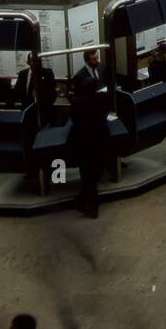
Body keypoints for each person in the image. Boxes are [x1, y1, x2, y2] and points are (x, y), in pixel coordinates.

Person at [68, 49, 110, 218]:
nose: (96, 59)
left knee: (88, 175)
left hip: (85, 142)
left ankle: (82, 201)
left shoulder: (78, 105)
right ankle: (90, 205)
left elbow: (75, 119)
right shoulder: (99, 102)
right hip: (98, 140)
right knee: (93, 175)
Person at [11, 51, 56, 125]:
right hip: (26, 110)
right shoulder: (23, 74)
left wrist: (47, 107)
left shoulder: (47, 73)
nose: (35, 63)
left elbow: (52, 93)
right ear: (28, 62)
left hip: (43, 111)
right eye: (32, 60)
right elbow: (17, 92)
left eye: (37, 60)